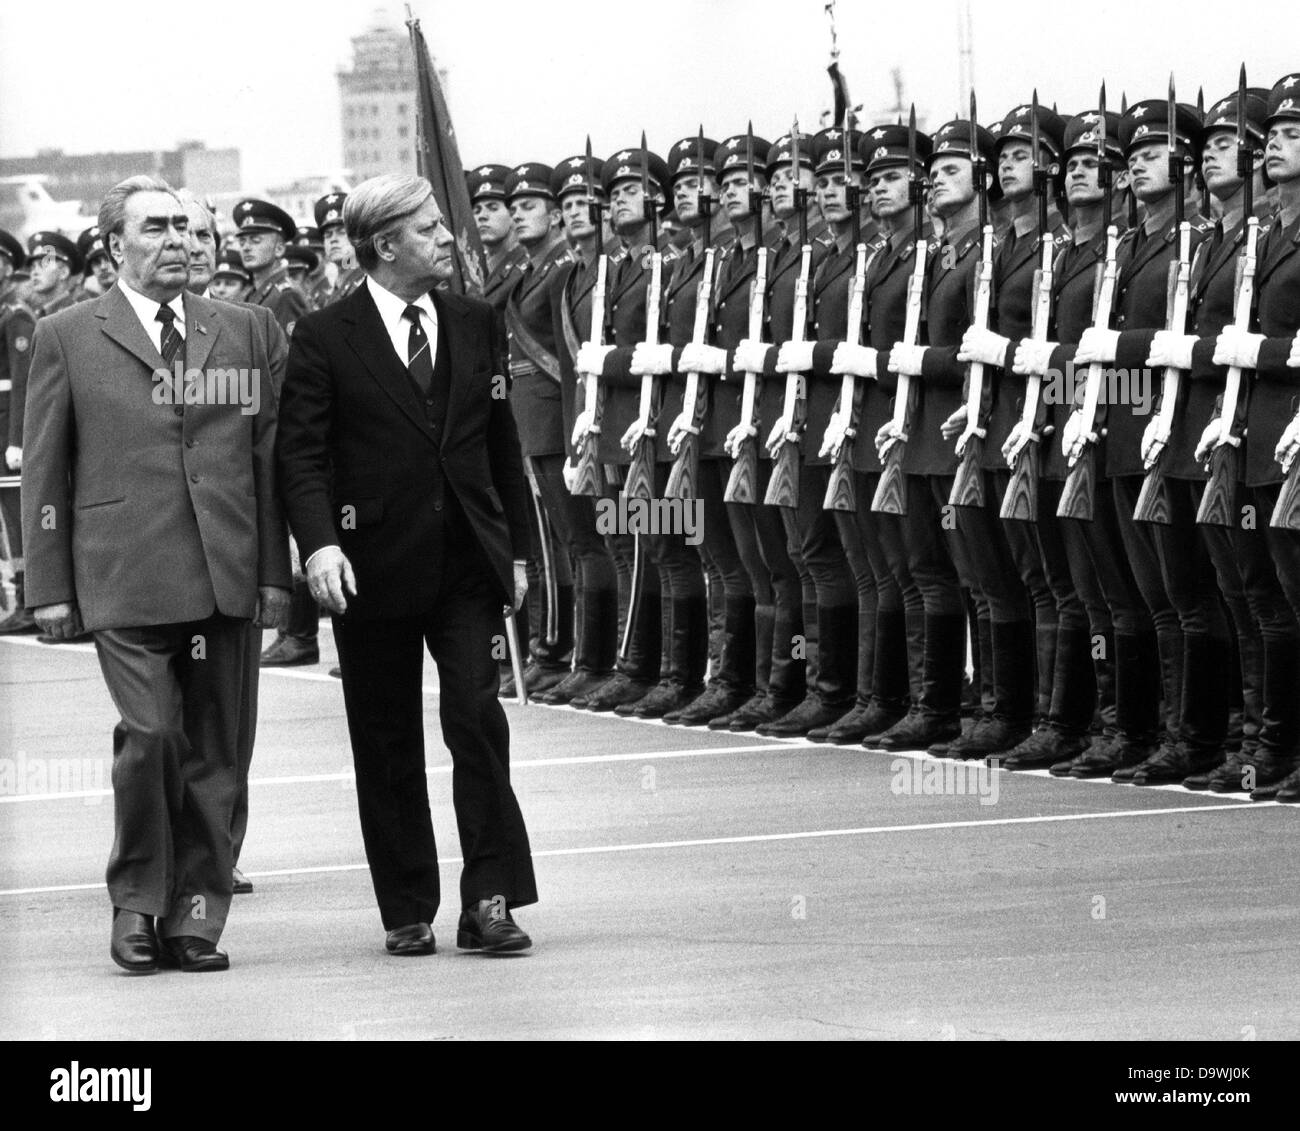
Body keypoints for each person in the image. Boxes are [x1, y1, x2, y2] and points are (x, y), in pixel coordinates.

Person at [21, 174, 291, 973]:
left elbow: (267, 458)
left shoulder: (242, 328)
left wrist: (275, 575)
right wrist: (49, 586)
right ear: (114, 248)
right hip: (124, 574)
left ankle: (196, 917)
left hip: (224, 572)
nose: (177, 240)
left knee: (218, 753)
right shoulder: (66, 334)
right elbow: (44, 469)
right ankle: (137, 900)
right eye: (155, 228)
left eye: (184, 225)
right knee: (151, 735)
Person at [276, 173, 537, 954]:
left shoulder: (473, 319)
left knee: (476, 720)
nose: (448, 238)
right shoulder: (326, 336)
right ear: (385, 246)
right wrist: (320, 542)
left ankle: (490, 896)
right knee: (385, 737)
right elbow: (302, 455)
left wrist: (517, 548)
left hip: (466, 562)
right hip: (371, 567)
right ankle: (407, 906)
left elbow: (501, 442)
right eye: (428, 229)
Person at [0, 230, 36, 635]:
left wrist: (17, 441)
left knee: (17, 519)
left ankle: (27, 598)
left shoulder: (16, 316)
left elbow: (23, 380)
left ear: (8, 267)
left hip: (7, 433)